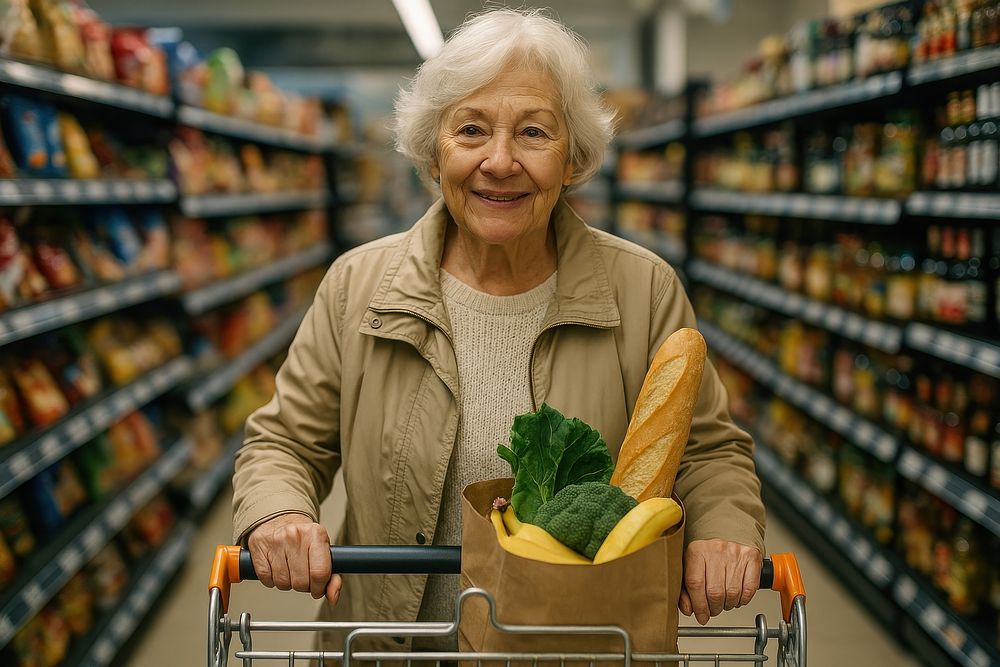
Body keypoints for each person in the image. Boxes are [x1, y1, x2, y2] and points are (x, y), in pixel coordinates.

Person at [232, 7, 765, 653]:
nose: (500, 161)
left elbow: (707, 451)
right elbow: (286, 440)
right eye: (471, 130)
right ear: (434, 151)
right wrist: (280, 512)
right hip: (389, 644)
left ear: (573, 157)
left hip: (579, 646)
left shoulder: (643, 290)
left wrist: (723, 528)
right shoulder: (358, 286)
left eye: (534, 132)